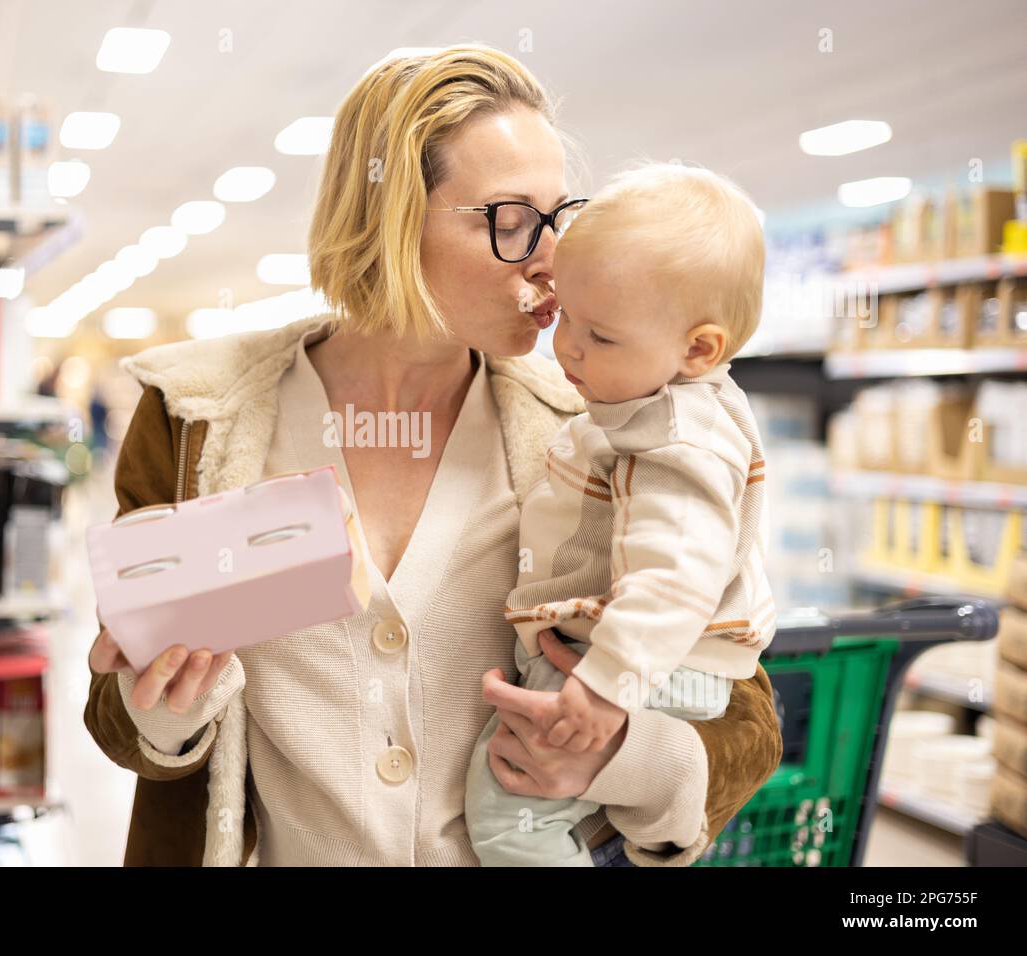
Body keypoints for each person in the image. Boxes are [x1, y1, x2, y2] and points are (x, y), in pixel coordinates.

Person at [84, 44, 783, 866]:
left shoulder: (596, 425)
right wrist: (163, 707)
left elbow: (744, 715)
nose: (554, 257)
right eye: (511, 218)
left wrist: (618, 753)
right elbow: (119, 715)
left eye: (561, 216)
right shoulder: (202, 417)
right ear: (388, 217)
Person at [466, 161, 776, 866]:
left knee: (507, 822)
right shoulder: (655, 407)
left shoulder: (673, 434)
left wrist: (608, 684)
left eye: (599, 336)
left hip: (626, 667)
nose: (566, 345)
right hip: (637, 664)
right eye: (566, 315)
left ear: (699, 349)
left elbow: (677, 572)